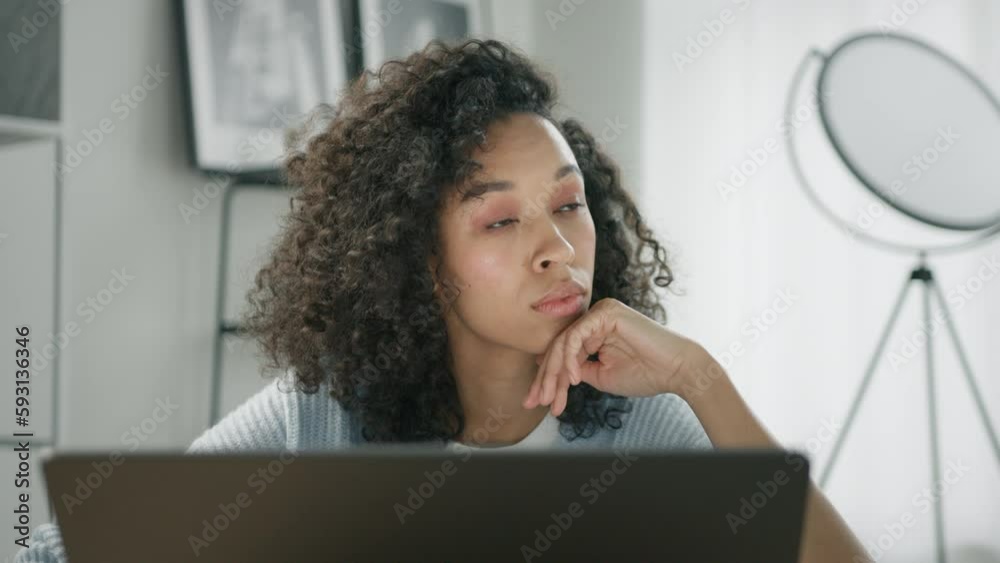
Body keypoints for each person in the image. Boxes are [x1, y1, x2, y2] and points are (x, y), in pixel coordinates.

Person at [15, 38, 869, 563]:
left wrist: (702, 378)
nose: (558, 248)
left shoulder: (641, 423)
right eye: (501, 219)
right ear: (418, 260)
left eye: (569, 205)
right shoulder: (321, 420)